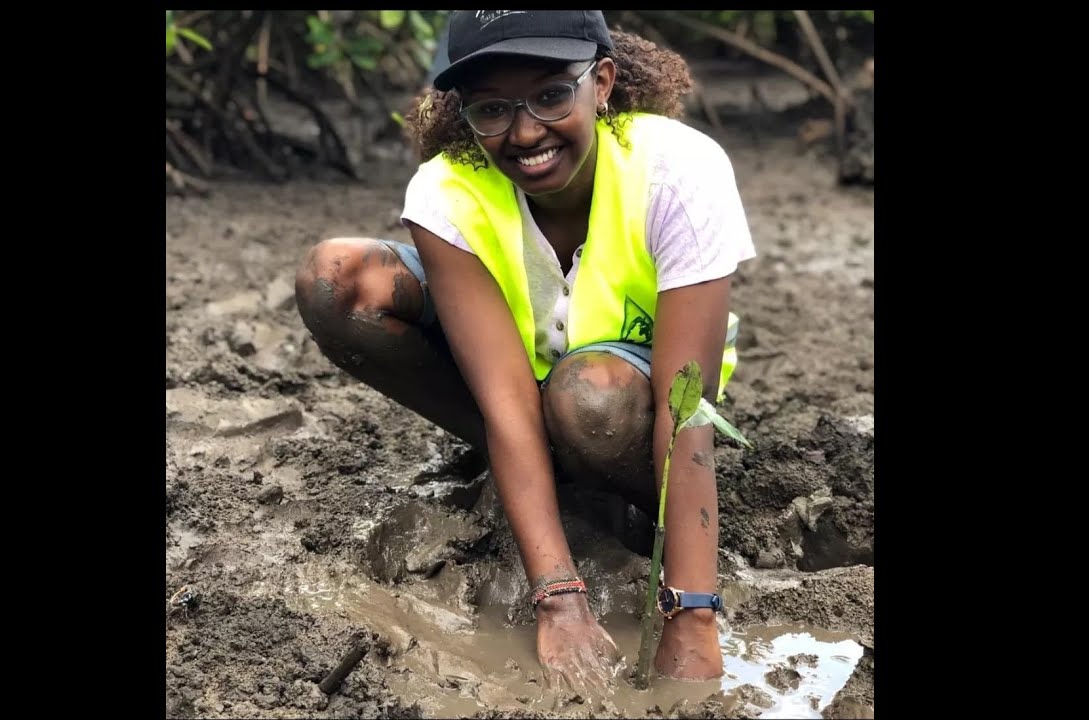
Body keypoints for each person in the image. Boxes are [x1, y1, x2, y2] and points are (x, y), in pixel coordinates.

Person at [295, 10, 756, 688]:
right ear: (463, 110)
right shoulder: (447, 191)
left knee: (588, 398)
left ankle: (605, 483)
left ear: (602, 82)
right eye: (492, 108)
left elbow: (685, 412)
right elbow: (507, 403)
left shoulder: (677, 171)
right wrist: (559, 598)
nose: (525, 132)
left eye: (551, 95)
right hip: (522, 389)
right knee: (338, 277)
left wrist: (691, 616)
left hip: (631, 404)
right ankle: (539, 474)